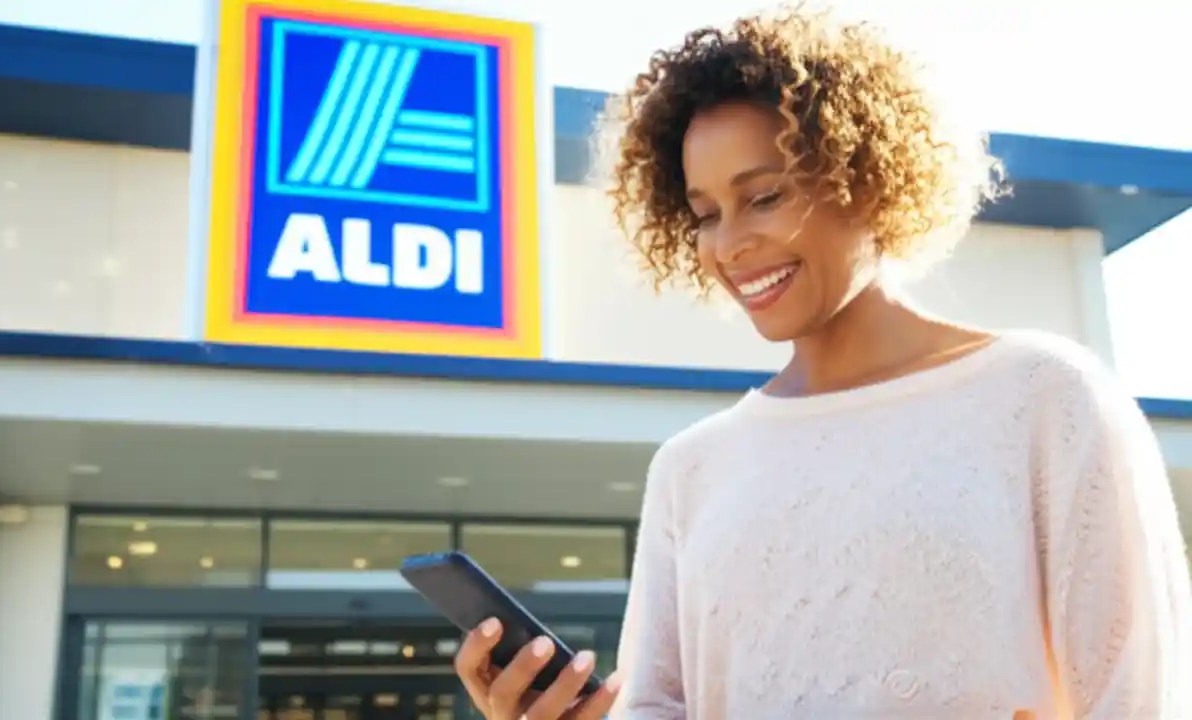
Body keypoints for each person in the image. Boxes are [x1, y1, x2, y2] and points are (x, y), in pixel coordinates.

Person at [452, 4, 1192, 719]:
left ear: (864, 178)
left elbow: (1140, 695)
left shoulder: (1045, 398)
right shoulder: (692, 468)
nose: (730, 244)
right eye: (705, 214)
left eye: (764, 196)